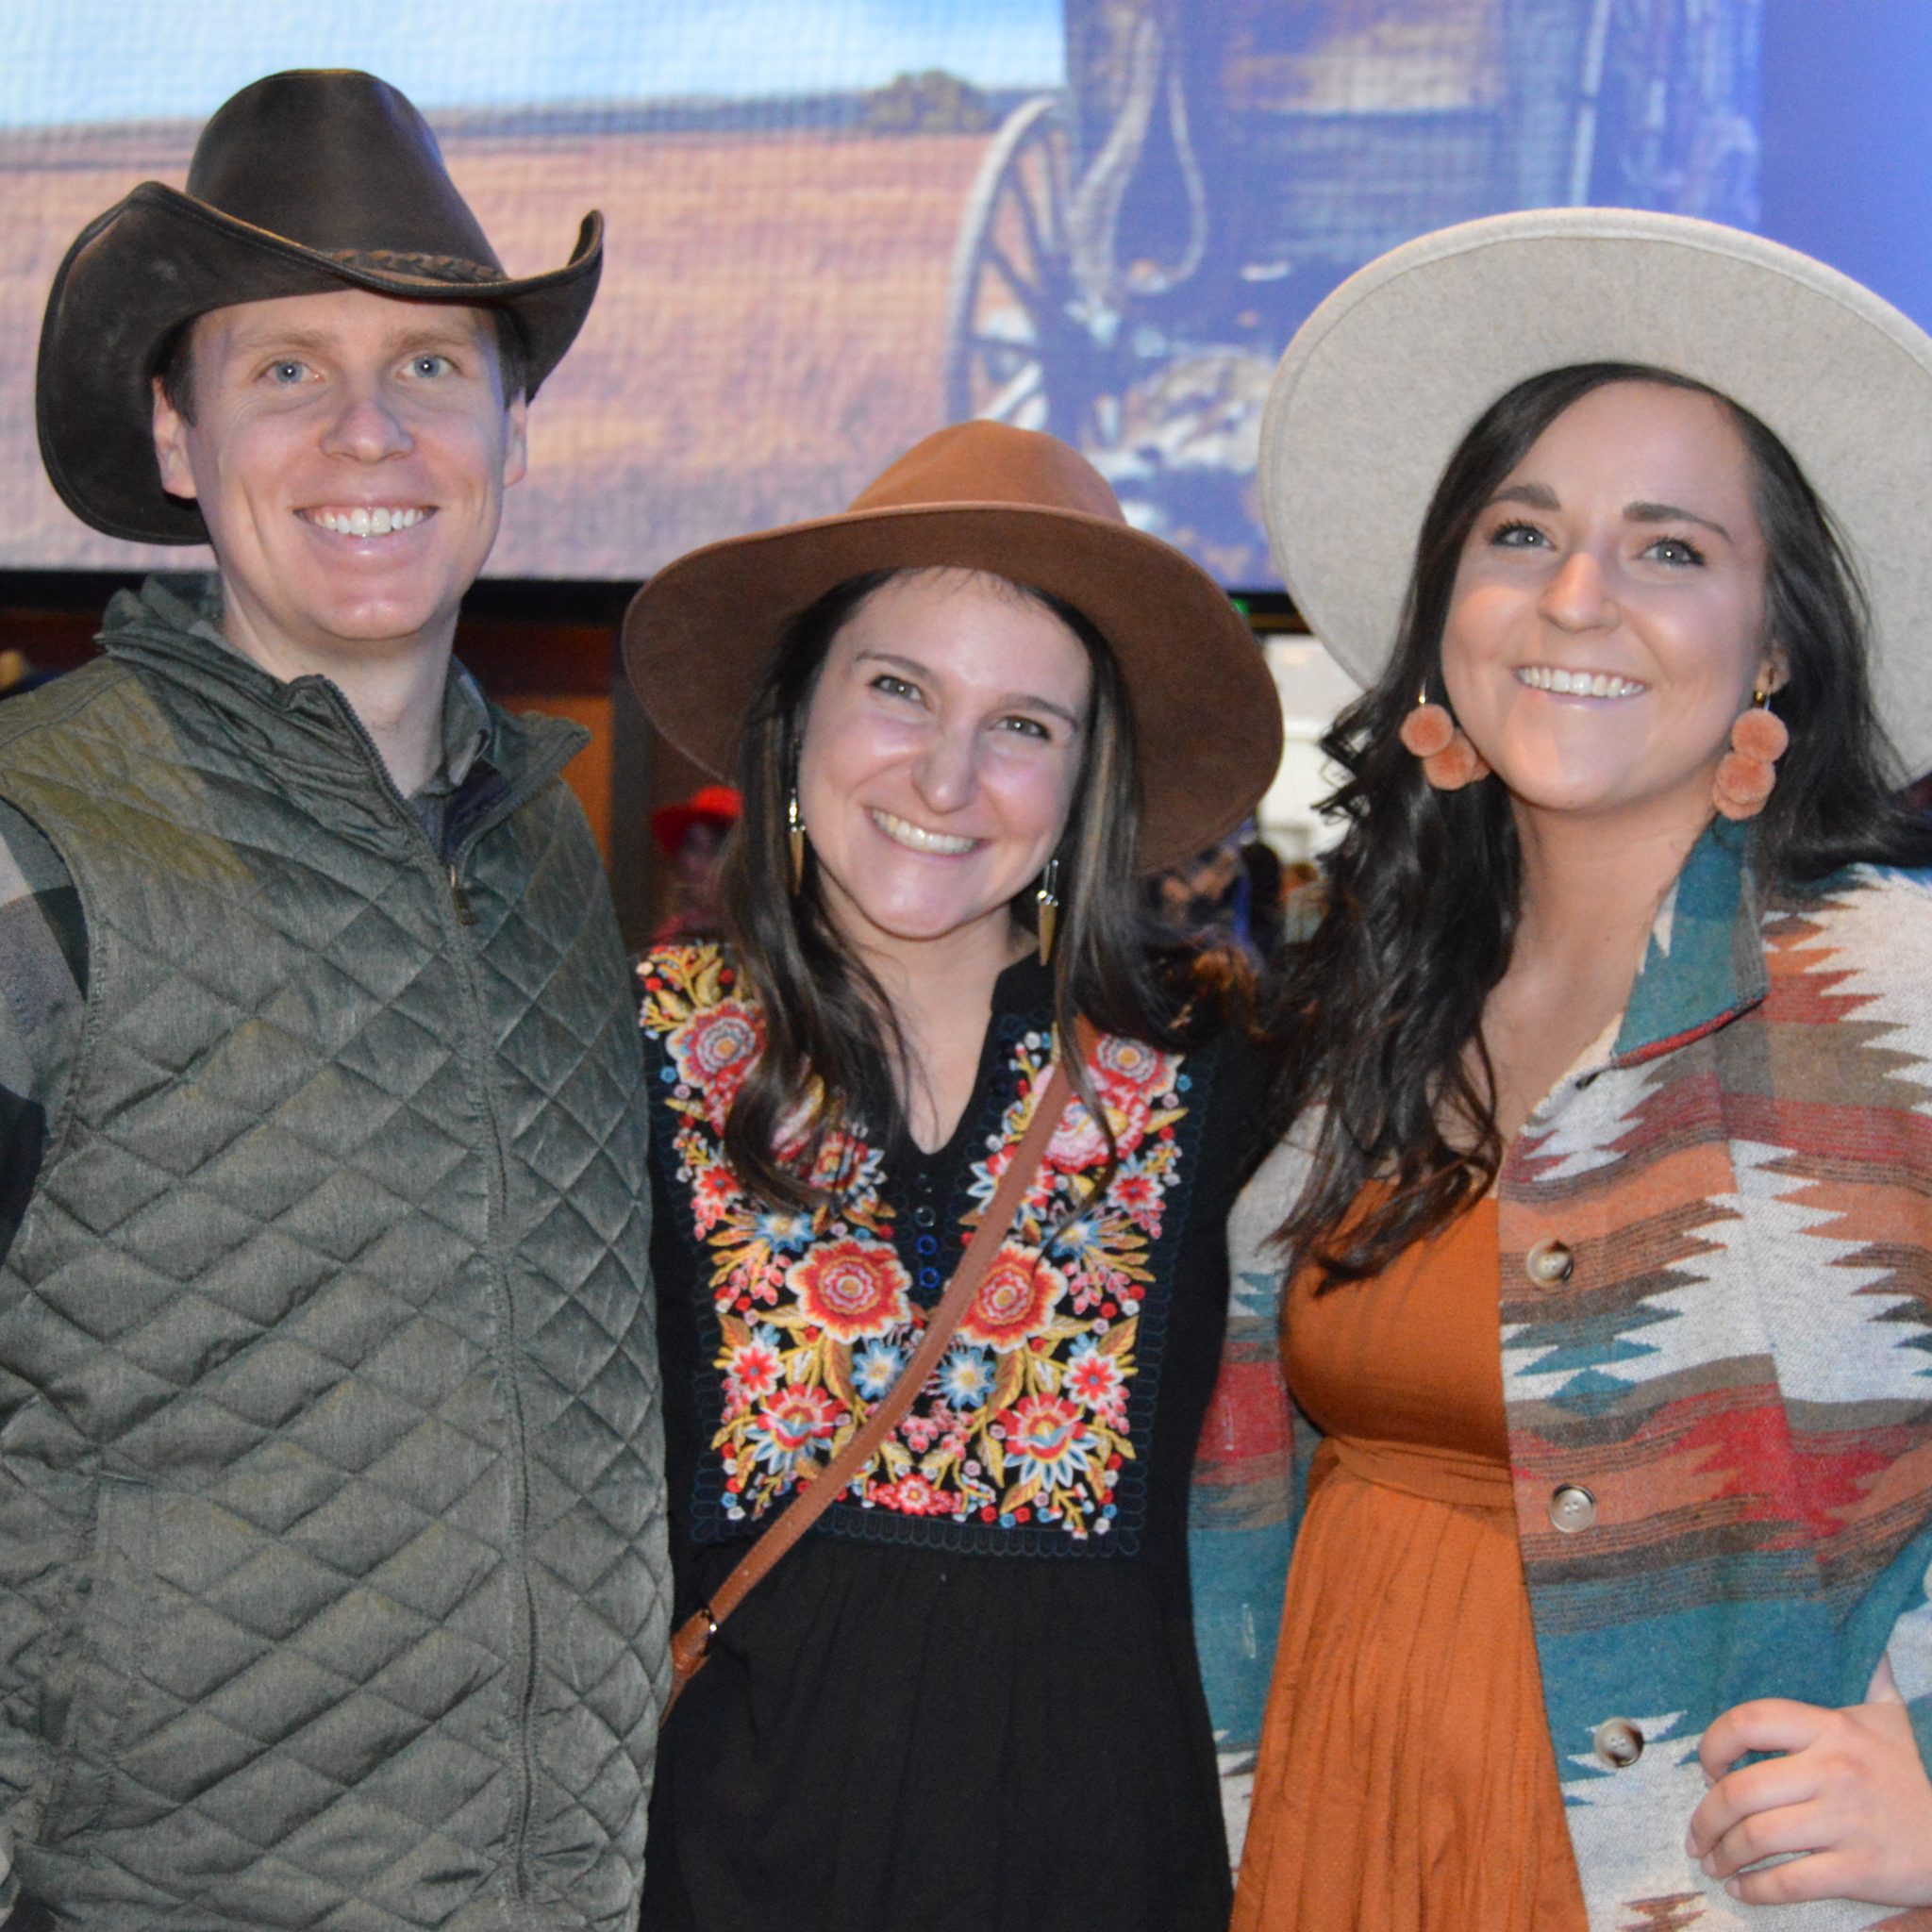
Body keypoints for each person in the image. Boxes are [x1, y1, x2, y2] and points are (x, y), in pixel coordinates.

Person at [1204, 208, 1932, 1928]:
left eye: (1668, 547)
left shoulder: (1890, 983)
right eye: (1518, 529)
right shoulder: (1378, 1000)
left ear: (1773, 644)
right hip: (1329, 1819)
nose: (1575, 593)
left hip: (1688, 1880)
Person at [0, 71, 666, 1929]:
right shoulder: (31, 841)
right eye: (285, 369)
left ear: (513, 432)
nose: (369, 431)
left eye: (433, 369)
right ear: (180, 432)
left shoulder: (538, 861)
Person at [622, 419, 1282, 1931]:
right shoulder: (626, 1059)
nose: (947, 772)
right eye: (899, 689)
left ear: (1085, 781)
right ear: (797, 719)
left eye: (1026, 725)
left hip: (1110, 1882)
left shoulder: (1224, 1082)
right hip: (715, 1887)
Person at [649, 781, 741, 942]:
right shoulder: (672, 940)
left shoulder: (771, 939)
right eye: (691, 847)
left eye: (713, 850)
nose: (692, 864)